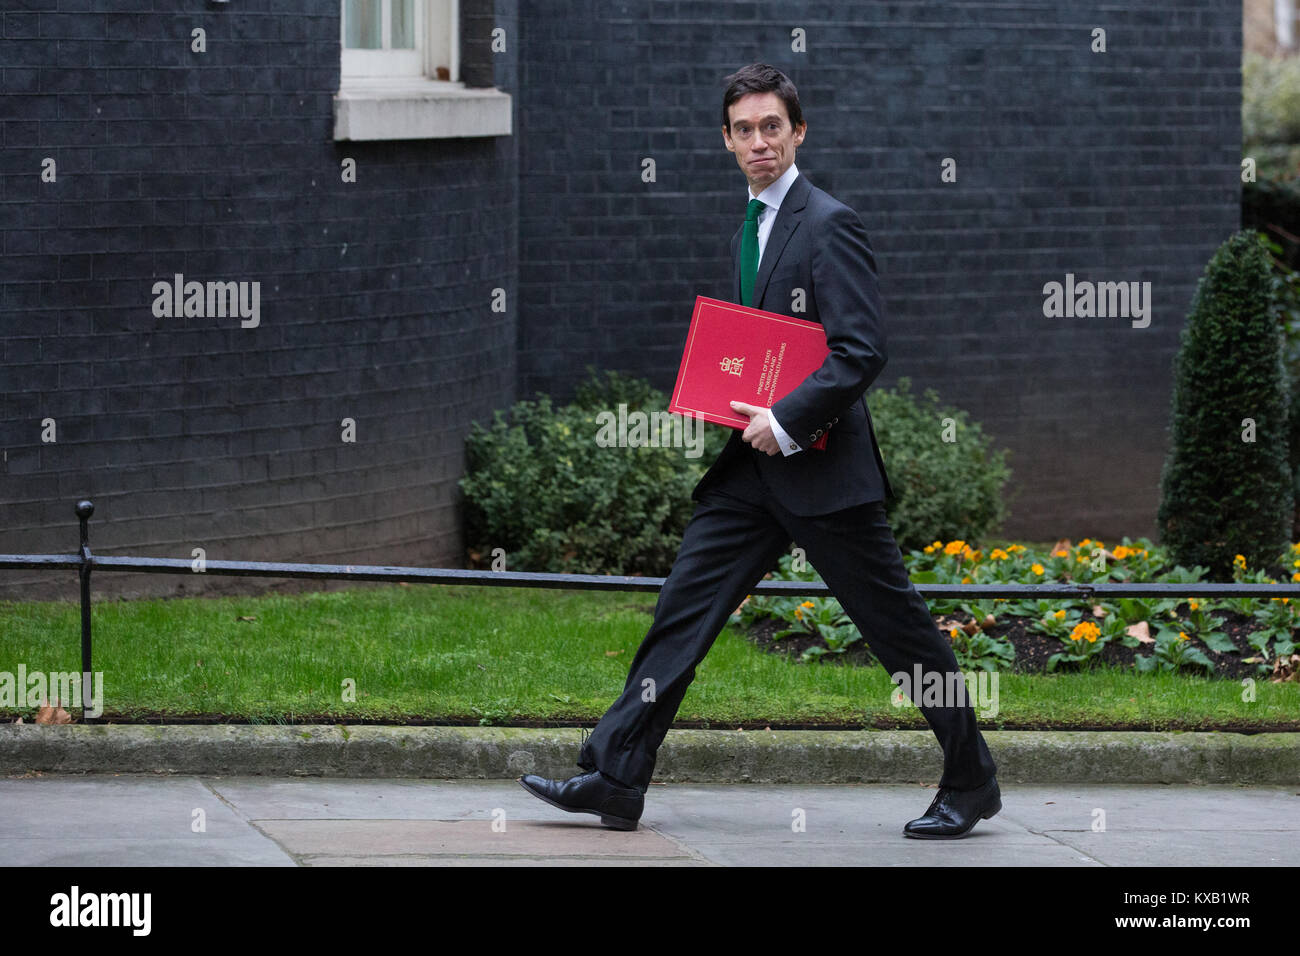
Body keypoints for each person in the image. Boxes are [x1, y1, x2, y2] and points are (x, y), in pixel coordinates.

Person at [520, 63, 1001, 839]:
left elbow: (860, 350)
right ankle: (615, 775)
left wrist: (785, 420)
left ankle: (971, 778)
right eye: (743, 130)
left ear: (798, 131)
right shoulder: (747, 225)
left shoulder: (828, 222)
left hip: (825, 473)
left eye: (771, 126)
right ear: (726, 140)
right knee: (682, 613)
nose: (758, 142)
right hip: (750, 476)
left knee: (899, 631)